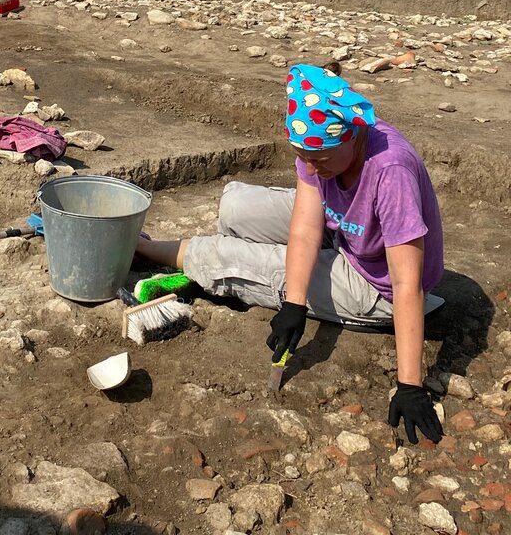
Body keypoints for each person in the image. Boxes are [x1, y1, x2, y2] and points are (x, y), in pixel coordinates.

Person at [135, 62, 445, 445]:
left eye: (320, 160)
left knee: (230, 257)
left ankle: (146, 248)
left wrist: (410, 384)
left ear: (353, 136)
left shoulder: (389, 171)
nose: (310, 169)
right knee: (234, 207)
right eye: (303, 158)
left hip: (379, 285)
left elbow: (407, 284)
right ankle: (239, 269)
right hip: (347, 232)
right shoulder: (321, 148)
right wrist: (294, 303)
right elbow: (306, 228)